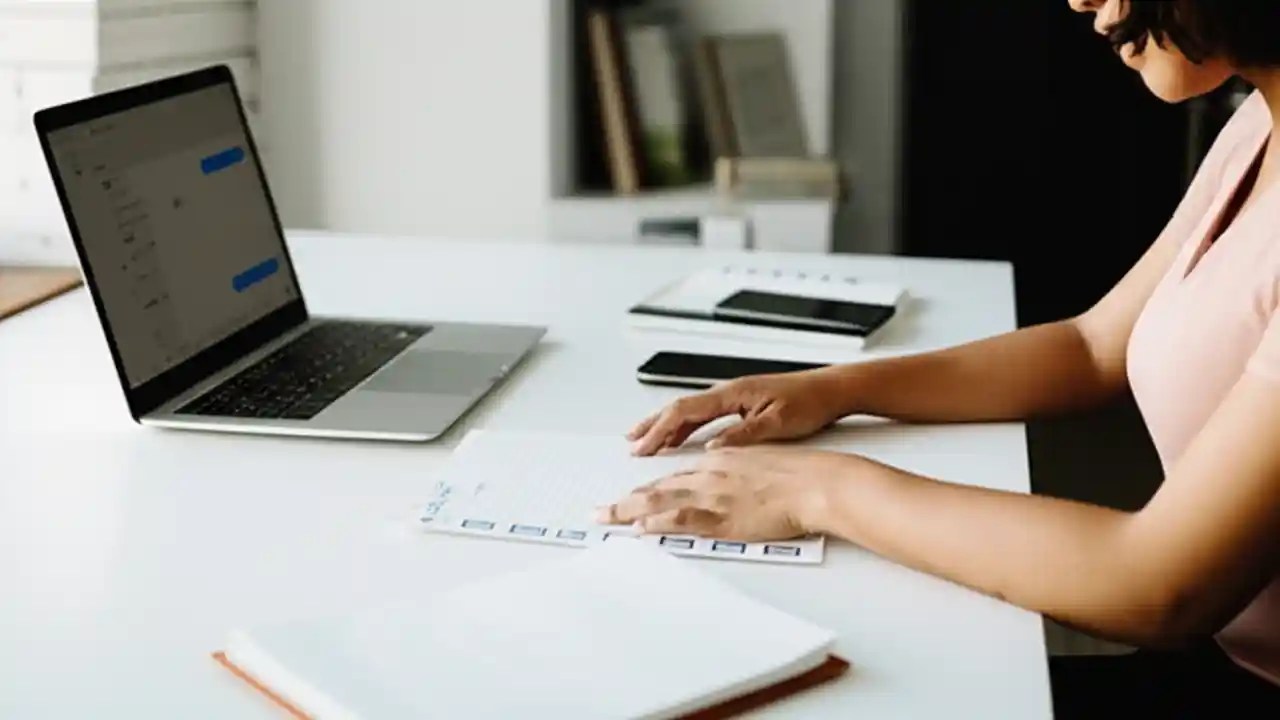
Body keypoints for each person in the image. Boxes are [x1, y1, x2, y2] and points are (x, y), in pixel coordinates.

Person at [601, 0, 1280, 714]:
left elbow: (1157, 586)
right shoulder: (1257, 122)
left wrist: (818, 491)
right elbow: (1092, 345)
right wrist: (836, 388)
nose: (1080, 0)